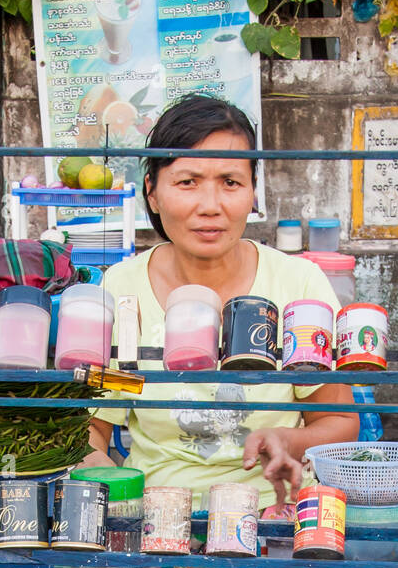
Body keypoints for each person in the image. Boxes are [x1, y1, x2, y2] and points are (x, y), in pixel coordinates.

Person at [79, 93, 358, 509]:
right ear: (152, 193)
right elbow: (95, 425)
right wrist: (104, 481)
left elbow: (337, 420)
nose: (210, 207)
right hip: (156, 516)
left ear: (252, 193)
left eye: (230, 183)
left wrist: (289, 440)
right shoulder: (122, 294)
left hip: (273, 511)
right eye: (187, 182)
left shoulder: (296, 284)